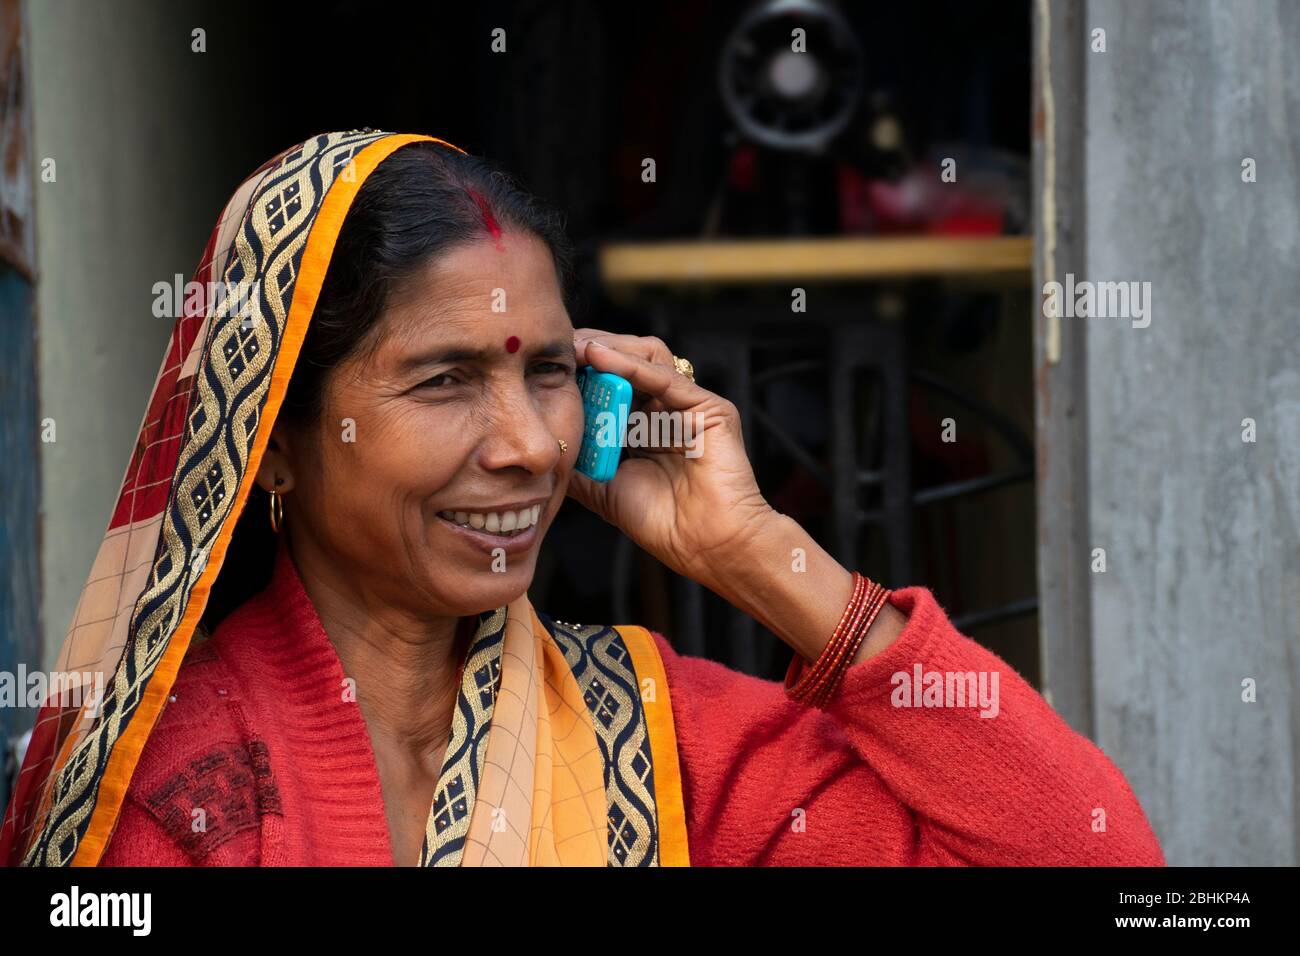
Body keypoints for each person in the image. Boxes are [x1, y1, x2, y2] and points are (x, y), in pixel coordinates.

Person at [1, 131, 1164, 867]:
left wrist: (760, 555)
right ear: (282, 439)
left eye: (547, 372)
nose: (525, 446)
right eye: (446, 378)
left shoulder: (659, 745)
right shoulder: (173, 794)